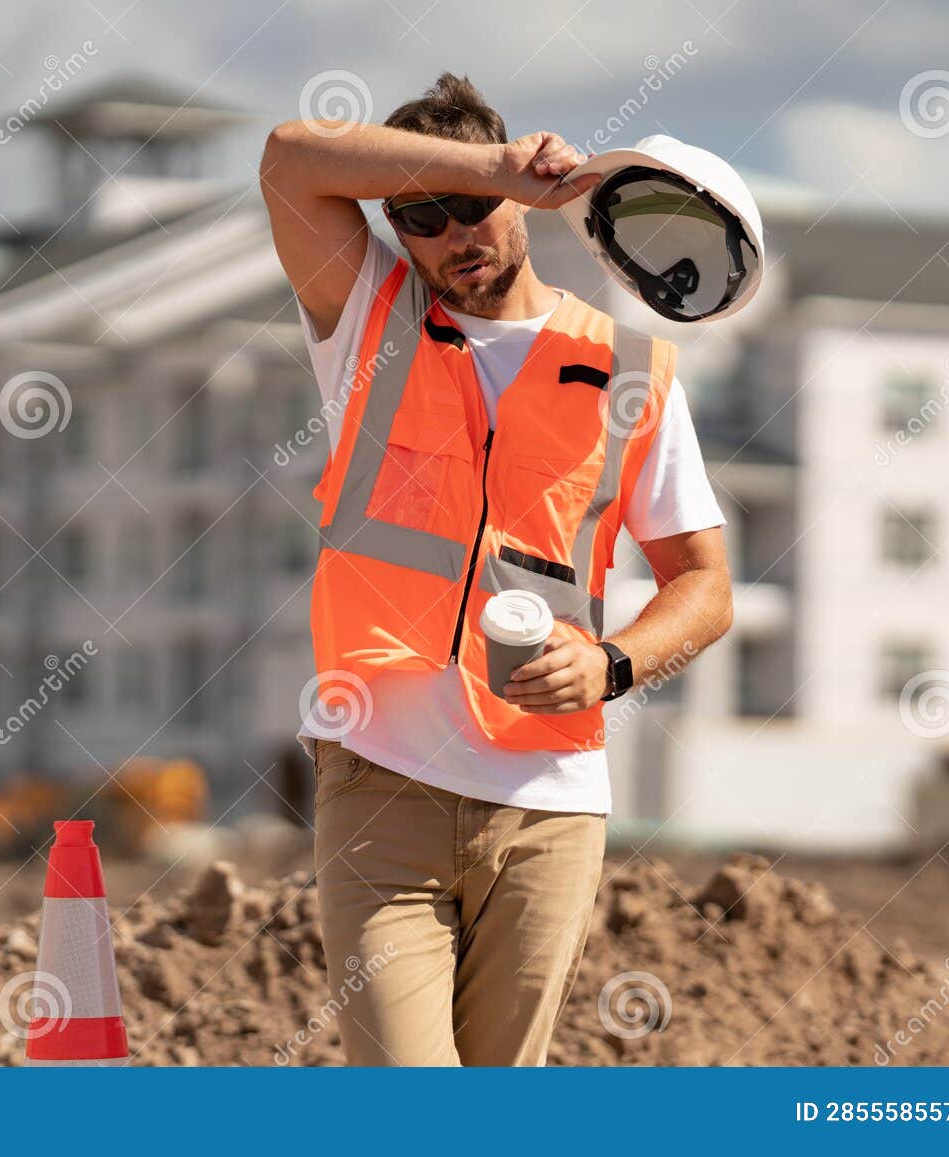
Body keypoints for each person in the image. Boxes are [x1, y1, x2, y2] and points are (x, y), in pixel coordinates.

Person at [261, 72, 732, 1066]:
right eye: (420, 218)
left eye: (471, 207)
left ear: (519, 207)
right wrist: (491, 169)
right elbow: (289, 161)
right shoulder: (368, 324)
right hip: (382, 782)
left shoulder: (630, 369)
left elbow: (705, 586)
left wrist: (611, 663)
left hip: (550, 798)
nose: (451, 235)